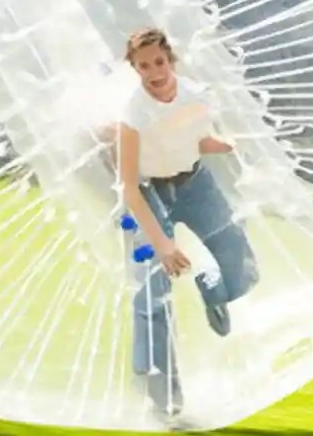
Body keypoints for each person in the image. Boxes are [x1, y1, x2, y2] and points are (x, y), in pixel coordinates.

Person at [115, 26, 259, 421]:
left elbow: (196, 141)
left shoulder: (196, 94)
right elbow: (127, 186)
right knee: (151, 297)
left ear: (170, 59)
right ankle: (165, 403)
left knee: (242, 264)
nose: (154, 71)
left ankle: (215, 288)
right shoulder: (134, 113)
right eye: (144, 66)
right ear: (135, 68)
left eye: (159, 62)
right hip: (147, 194)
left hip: (195, 182)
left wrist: (227, 144)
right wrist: (162, 244)